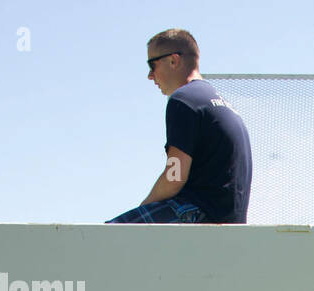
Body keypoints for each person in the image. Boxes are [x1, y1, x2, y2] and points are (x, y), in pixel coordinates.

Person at [108, 29, 253, 224]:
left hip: (196, 212)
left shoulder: (183, 100)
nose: (150, 76)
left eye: (152, 65)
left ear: (173, 61)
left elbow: (174, 176)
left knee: (105, 238)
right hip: (230, 220)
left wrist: (144, 207)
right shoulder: (223, 104)